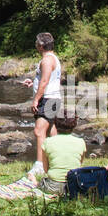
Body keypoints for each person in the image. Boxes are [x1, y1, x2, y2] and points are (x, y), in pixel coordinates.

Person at [21, 32, 63, 179]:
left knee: (39, 131)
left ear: (41, 45)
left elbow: (45, 81)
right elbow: (46, 79)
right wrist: (34, 83)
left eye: (36, 43)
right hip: (53, 98)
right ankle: (54, 160)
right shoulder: (53, 58)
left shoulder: (46, 60)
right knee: (51, 131)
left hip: (48, 99)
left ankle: (40, 165)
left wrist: (35, 100)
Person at [39, 113, 85, 197]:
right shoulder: (81, 142)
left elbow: (46, 169)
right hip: (74, 186)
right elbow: (79, 164)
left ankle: (33, 181)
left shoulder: (47, 142)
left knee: (41, 182)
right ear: (74, 125)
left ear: (55, 125)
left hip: (53, 186)